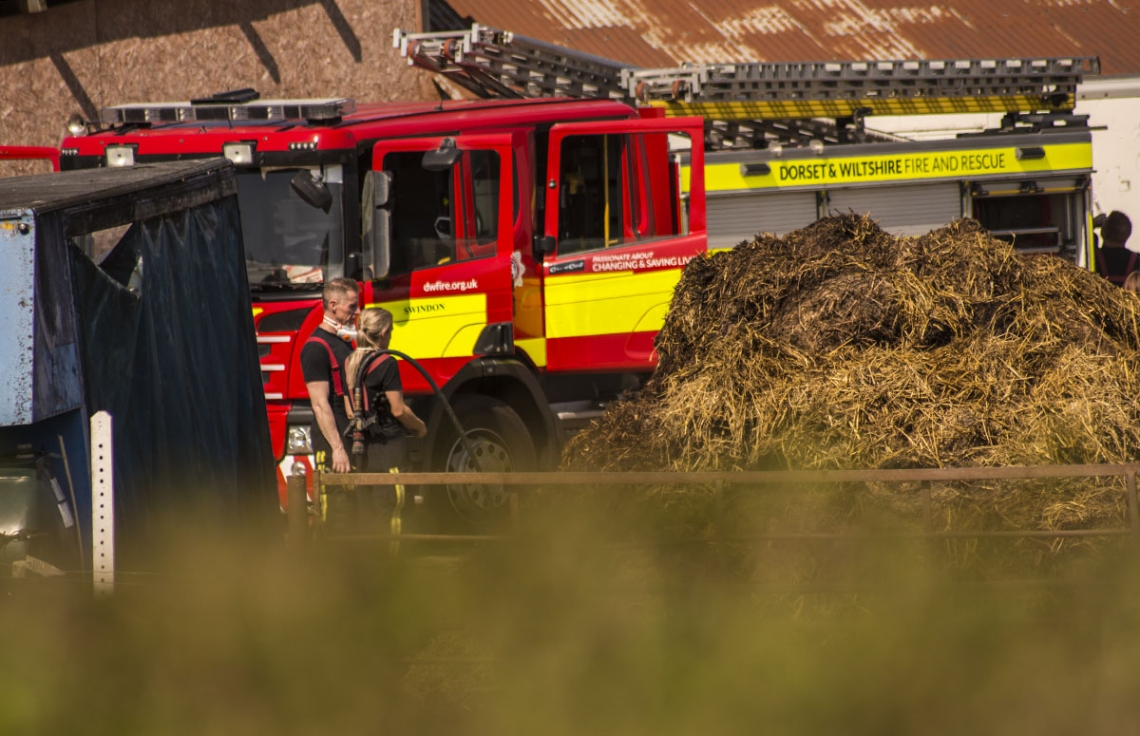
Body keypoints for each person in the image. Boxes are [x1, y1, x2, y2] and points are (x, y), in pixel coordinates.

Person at [344, 308, 427, 517]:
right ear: (383, 333)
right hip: (389, 449)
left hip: (362, 450)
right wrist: (420, 426)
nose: (390, 337)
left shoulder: (349, 362)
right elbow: (398, 409)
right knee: (394, 508)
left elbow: (350, 411)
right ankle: (395, 549)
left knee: (369, 511)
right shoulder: (387, 363)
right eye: (390, 333)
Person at [301, 277, 360, 477]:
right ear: (333, 305)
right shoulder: (315, 348)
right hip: (332, 449)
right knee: (337, 507)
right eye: (352, 306)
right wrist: (337, 448)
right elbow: (320, 404)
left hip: (348, 438)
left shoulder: (343, 342)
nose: (356, 312)